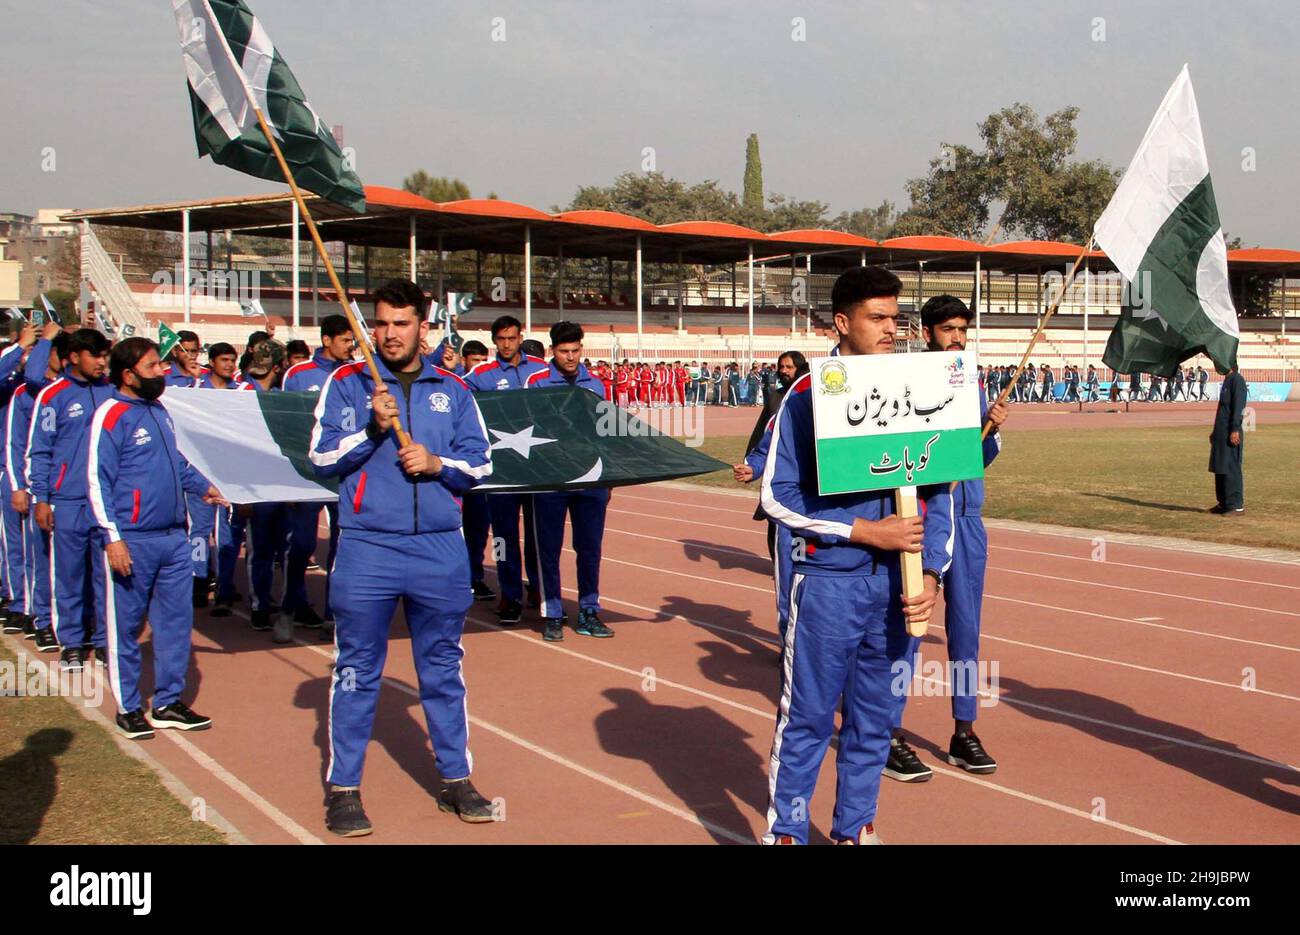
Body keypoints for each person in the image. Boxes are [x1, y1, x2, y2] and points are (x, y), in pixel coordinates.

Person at [759, 266, 952, 845]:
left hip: (900, 589)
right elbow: (777, 496)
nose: (893, 328)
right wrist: (865, 531)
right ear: (842, 322)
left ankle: (854, 829)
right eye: (878, 318)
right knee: (810, 719)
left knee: (875, 723)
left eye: (896, 317)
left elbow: (941, 488)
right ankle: (788, 832)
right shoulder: (806, 395)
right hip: (827, 584)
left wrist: (934, 572)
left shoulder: (922, 386)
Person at [310, 278, 495, 836]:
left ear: (424, 326)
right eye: (381, 323)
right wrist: (370, 427)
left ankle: (456, 777)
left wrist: (438, 464)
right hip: (368, 545)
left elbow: (482, 465)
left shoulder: (454, 389)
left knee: (442, 668)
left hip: (439, 547)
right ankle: (344, 787)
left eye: (401, 323)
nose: (389, 334)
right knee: (356, 670)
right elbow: (321, 458)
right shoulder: (347, 384)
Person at [886, 295, 1005, 782]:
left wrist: (990, 430)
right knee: (910, 631)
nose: (957, 337)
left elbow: (979, 460)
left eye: (963, 329)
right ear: (927, 331)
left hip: (968, 520)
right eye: (948, 329)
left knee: (966, 633)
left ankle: (964, 731)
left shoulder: (969, 382)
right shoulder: (908, 381)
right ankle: (889, 733)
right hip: (925, 517)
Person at [88, 337, 226, 740]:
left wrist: (204, 487)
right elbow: (97, 480)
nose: (162, 372)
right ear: (129, 374)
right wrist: (113, 537)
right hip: (132, 539)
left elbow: (177, 465)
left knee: (175, 624)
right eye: (153, 367)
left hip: (173, 539)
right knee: (126, 627)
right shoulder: (111, 415)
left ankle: (167, 701)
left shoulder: (160, 411)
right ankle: (129, 707)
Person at [27, 328, 115, 672]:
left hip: (103, 501)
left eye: (105, 356)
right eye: (95, 355)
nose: (102, 362)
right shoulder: (53, 396)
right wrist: (42, 498)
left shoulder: (111, 393)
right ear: (75, 356)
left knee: (105, 576)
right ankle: (73, 642)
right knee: (68, 573)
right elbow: (40, 450)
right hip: (67, 499)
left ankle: (106, 639)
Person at [524, 321, 614, 642]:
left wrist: (609, 479)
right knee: (549, 547)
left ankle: (589, 610)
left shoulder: (596, 384)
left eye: (576, 350)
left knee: (590, 548)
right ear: (552, 351)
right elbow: (528, 428)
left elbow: (605, 431)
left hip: (590, 478)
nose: (571, 357)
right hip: (551, 478)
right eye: (564, 351)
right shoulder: (536, 383)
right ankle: (552, 611)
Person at [465, 316, 547, 624]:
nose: (507, 344)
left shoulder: (541, 369)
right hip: (501, 470)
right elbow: (459, 399)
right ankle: (509, 594)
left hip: (538, 466)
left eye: (512, 337)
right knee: (503, 538)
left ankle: (539, 589)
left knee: (539, 536)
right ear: (494, 340)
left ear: (520, 336)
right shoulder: (480, 375)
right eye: (501, 339)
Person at [281, 314, 358, 636]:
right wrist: (289, 478)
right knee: (302, 544)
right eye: (344, 340)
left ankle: (332, 614)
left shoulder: (355, 373)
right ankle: (289, 608)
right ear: (327, 340)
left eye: (353, 340)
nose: (350, 346)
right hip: (308, 474)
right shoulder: (298, 374)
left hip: (343, 473)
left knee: (343, 545)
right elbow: (284, 423)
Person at [8, 326, 66, 652]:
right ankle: (39, 616)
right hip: (38, 487)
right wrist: (20, 486)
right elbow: (17, 444)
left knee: (73, 565)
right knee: (37, 556)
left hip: (72, 492)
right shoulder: (28, 393)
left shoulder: (82, 391)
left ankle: (71, 622)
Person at [1209, 366, 1247, 515]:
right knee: (1220, 466)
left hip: (1231, 432)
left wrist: (1235, 428)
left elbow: (1238, 407)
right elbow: (1222, 411)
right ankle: (1223, 502)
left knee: (1231, 467)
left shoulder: (1237, 380)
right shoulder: (1227, 380)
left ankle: (1236, 505)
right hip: (1221, 432)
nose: (1217, 366)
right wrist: (1215, 432)